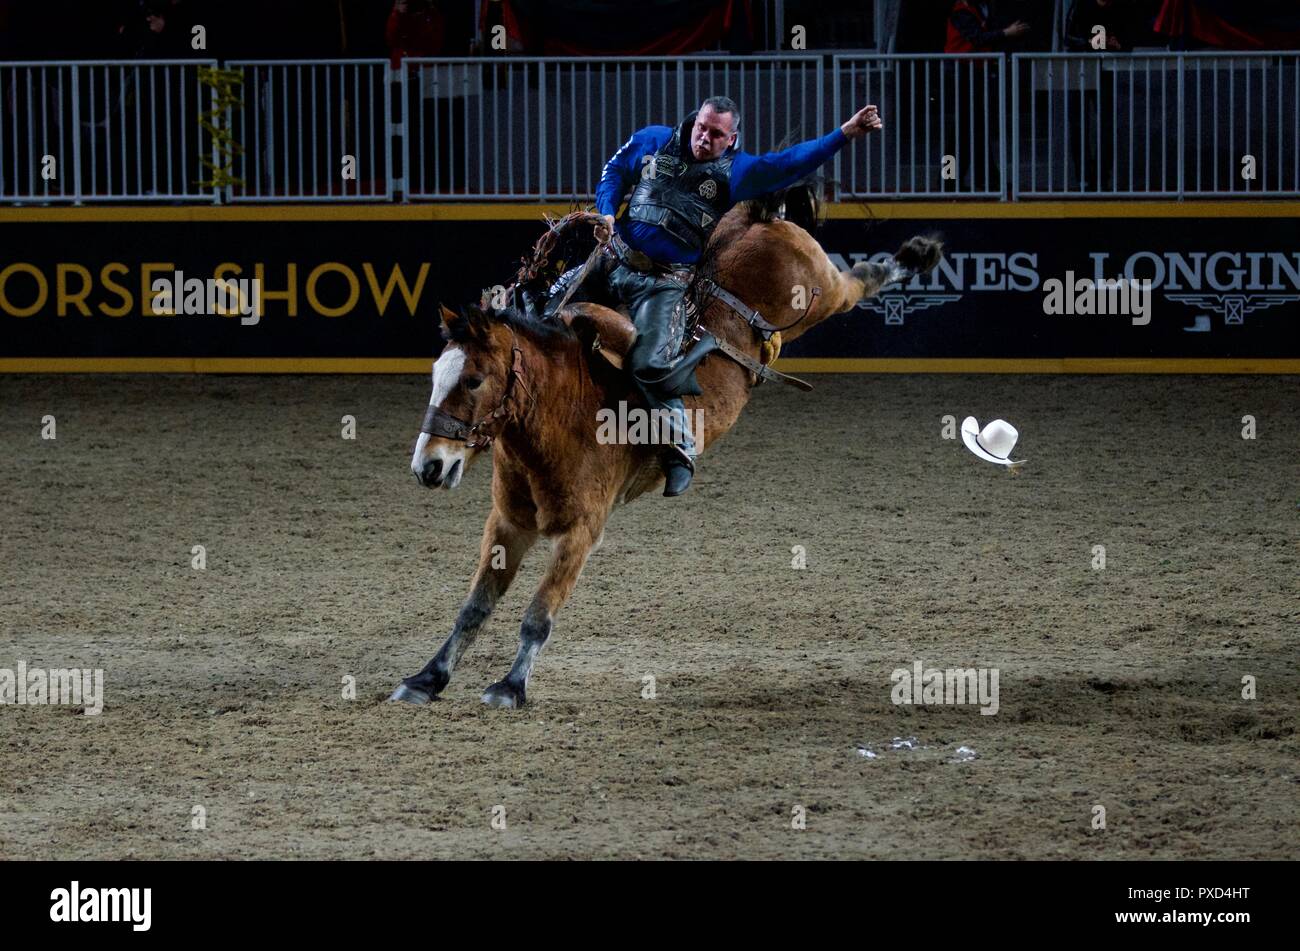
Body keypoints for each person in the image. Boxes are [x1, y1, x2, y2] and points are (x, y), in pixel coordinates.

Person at [528, 95, 882, 497]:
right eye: (701, 128)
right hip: (611, 259)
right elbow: (614, 172)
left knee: (650, 362)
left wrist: (845, 133)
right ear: (694, 121)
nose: (704, 138)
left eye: (716, 134)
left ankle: (680, 446)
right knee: (542, 310)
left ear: (731, 139)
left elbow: (791, 163)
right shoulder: (653, 140)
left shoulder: (739, 172)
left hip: (662, 284)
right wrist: (607, 211)